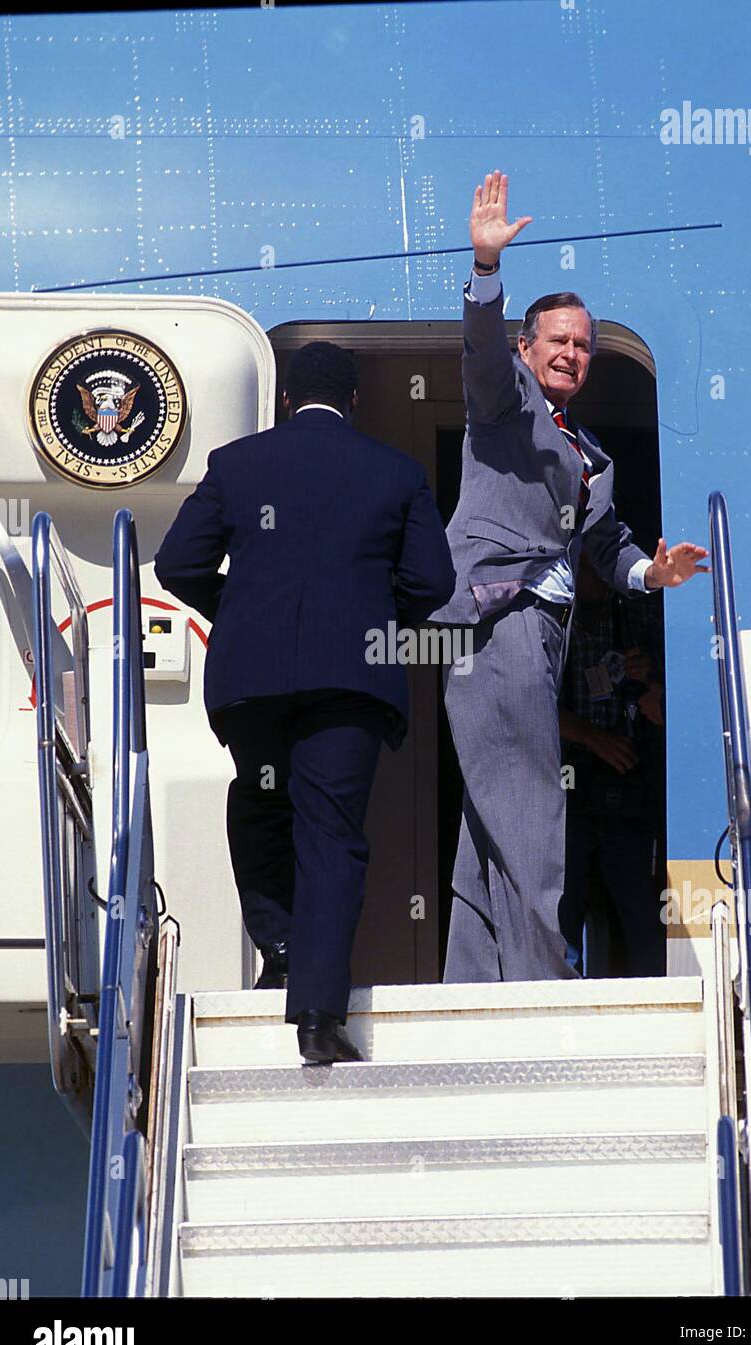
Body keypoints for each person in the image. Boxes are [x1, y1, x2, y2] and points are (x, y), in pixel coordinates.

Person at [429, 169, 708, 984]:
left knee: (493, 814)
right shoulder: (505, 399)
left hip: (542, 636)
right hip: (499, 617)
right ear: (528, 348)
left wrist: (651, 573)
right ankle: (544, 984)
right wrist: (485, 270)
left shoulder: (591, 454)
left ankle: (473, 983)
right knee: (531, 802)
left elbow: (607, 545)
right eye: (558, 340)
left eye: (585, 346)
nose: (574, 355)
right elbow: (479, 354)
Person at [154, 342, 455, 1063]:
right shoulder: (397, 472)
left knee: (260, 802)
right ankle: (318, 1017)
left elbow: (175, 563)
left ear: (287, 399)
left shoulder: (237, 464)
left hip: (252, 681)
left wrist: (241, 610)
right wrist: (370, 619)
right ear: (353, 402)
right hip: (349, 683)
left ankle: (280, 942)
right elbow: (434, 584)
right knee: (330, 834)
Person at [558, 552, 666, 977]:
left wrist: (650, 674)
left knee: (639, 911)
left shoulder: (635, 616)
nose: (600, 578)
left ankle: (655, 1000)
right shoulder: (553, 619)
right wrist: (594, 739)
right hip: (567, 784)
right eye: (591, 566)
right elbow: (531, 705)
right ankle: (561, 1009)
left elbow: (672, 694)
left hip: (626, 783)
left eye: (607, 569)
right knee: (563, 912)